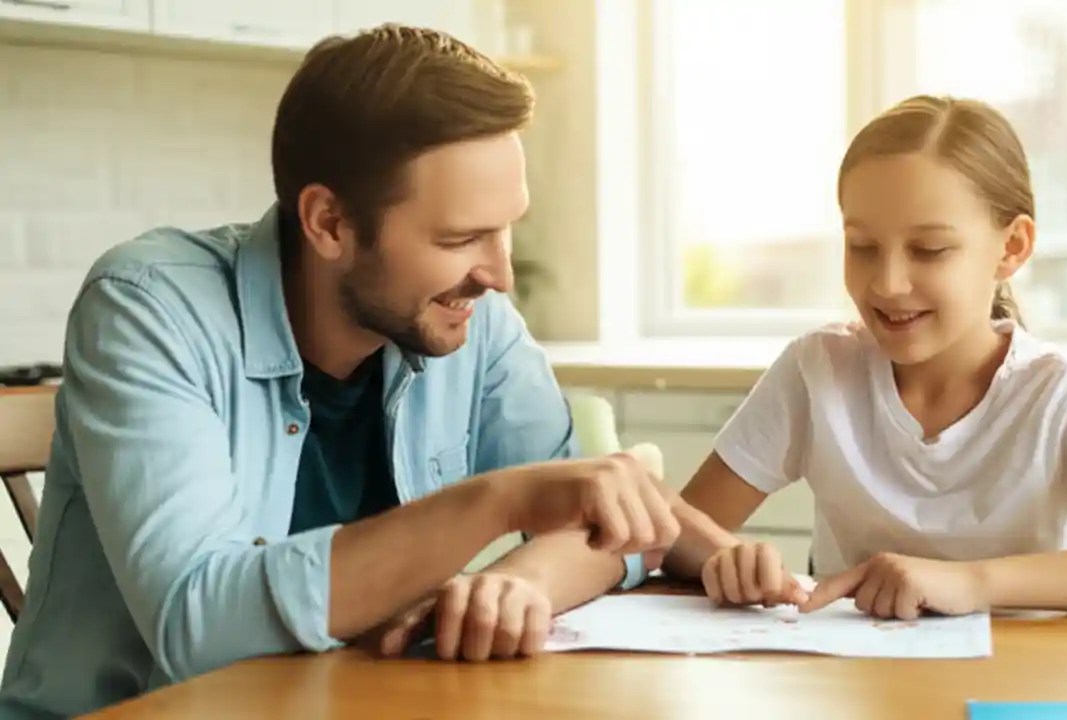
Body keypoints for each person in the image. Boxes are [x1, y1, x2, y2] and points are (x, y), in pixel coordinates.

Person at [0, 25, 680, 719]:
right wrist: (497, 502)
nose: (499, 274)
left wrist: (521, 582)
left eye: (506, 230)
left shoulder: (463, 316)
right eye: (459, 238)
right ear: (328, 223)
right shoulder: (149, 309)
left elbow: (615, 529)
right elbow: (197, 626)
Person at [660, 95, 1067, 620]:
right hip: (859, 690)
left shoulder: (1061, 397)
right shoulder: (817, 373)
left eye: (929, 250)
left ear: (1011, 248)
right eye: (862, 246)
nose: (887, 283)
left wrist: (974, 583)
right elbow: (670, 530)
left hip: (1020, 689)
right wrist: (725, 554)